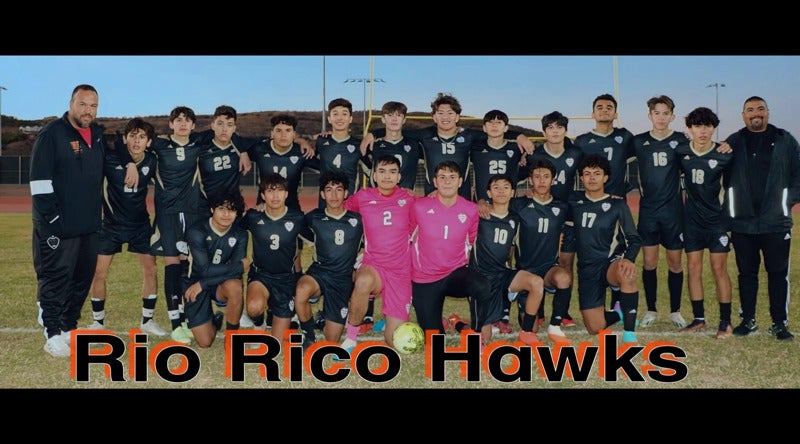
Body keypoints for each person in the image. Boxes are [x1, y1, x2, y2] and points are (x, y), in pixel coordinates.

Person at [31, 84, 107, 357]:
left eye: (93, 105)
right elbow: (39, 183)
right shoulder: (52, 134)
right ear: (72, 103)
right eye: (83, 104)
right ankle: (52, 333)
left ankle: (67, 327)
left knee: (81, 279)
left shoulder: (97, 135)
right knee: (55, 279)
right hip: (58, 225)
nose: (88, 110)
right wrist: (52, 220)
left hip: (88, 225)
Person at [724, 96, 800, 340]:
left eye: (760, 109)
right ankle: (748, 319)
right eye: (750, 110)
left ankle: (779, 322)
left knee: (778, 273)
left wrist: (785, 202)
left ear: (768, 112)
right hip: (743, 223)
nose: (755, 113)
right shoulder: (734, 141)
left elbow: (798, 174)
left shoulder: (785, 140)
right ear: (743, 115)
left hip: (775, 222)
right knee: (747, 274)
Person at [362, 92, 534, 200]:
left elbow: (495, 132)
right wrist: (372, 134)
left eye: (450, 113)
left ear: (458, 116)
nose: (445, 117)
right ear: (434, 117)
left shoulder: (469, 136)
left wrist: (520, 137)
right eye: (440, 113)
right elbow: (394, 129)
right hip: (432, 196)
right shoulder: (424, 135)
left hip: (462, 198)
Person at [87, 117, 167, 336]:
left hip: (140, 225)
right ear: (125, 138)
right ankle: (98, 323)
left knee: (151, 269)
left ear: (148, 142)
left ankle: (147, 321)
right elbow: (104, 139)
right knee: (98, 273)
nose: (137, 141)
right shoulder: (110, 159)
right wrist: (127, 160)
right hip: (111, 225)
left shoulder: (152, 160)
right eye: (132, 136)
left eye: (142, 137)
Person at [411, 160, 500, 346]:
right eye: (442, 177)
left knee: (483, 285)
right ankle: (456, 323)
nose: (447, 181)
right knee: (435, 342)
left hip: (454, 273)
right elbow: (407, 237)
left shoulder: (470, 210)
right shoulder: (419, 207)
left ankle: (474, 334)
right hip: (424, 278)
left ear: (460, 181)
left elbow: (473, 242)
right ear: (434, 182)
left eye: (452, 177)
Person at [337, 155, 416, 352]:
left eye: (392, 172)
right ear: (374, 175)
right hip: (375, 265)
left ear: (399, 177)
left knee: (394, 340)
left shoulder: (409, 200)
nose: (387, 176)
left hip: (400, 272)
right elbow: (339, 211)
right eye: (382, 171)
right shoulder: (363, 197)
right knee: (363, 282)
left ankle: (386, 321)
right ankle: (351, 338)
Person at [469, 174, 558, 344]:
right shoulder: (478, 215)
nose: (501, 191)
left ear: (512, 193)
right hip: (481, 279)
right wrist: (479, 203)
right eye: (496, 187)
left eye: (505, 187)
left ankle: (526, 332)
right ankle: (458, 323)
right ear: (488, 193)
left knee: (536, 282)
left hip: (503, 274)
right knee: (483, 339)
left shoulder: (516, 218)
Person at [566, 154, 641, 343]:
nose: (592, 178)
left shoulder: (617, 204)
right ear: (581, 178)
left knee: (627, 273)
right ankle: (618, 313)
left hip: (610, 263)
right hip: (587, 268)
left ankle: (630, 333)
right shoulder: (573, 203)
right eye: (587, 174)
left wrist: (627, 259)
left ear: (605, 177)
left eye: (597, 174)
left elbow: (634, 238)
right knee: (594, 328)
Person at [519, 110, 583, 331]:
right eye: (550, 128)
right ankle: (539, 311)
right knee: (537, 260)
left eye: (559, 128)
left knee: (566, 264)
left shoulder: (575, 152)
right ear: (544, 131)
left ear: (565, 130)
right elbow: (515, 175)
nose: (555, 132)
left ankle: (562, 312)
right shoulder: (535, 155)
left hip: (565, 215)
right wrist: (518, 136)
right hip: (539, 214)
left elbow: (591, 173)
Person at [573, 94, 635, 313]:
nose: (605, 110)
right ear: (593, 113)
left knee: (617, 248)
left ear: (616, 113)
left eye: (610, 107)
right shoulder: (582, 141)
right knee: (588, 252)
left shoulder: (625, 137)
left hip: (615, 205)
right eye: (600, 107)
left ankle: (617, 303)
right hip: (589, 204)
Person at [675, 107, 734, 339]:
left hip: (716, 222)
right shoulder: (681, 152)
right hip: (692, 222)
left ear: (713, 128)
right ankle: (699, 319)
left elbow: (732, 187)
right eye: (698, 126)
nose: (703, 131)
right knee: (693, 269)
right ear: (689, 129)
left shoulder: (724, 154)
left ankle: (725, 321)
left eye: (707, 126)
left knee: (719, 269)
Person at [632, 95, 689, 328]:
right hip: (648, 211)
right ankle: (652, 310)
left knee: (675, 263)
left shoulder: (680, 140)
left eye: (666, 113)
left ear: (672, 116)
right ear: (650, 115)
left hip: (673, 211)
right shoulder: (638, 142)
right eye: (657, 113)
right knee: (649, 263)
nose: (661, 117)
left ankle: (675, 311)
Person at [295, 171, 364, 350]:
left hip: (342, 279)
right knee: (301, 290)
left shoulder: (358, 220)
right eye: (329, 190)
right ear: (322, 194)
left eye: (338, 190)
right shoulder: (312, 218)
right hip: (320, 272)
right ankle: (309, 336)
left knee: (332, 340)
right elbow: (301, 235)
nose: (334, 195)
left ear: (346, 193)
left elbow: (370, 245)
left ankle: (321, 318)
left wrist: (360, 264)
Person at [508, 159, 573, 344]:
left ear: (553, 180)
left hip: (548, 270)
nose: (542, 181)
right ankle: (527, 328)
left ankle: (555, 326)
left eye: (546, 177)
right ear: (530, 180)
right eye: (537, 177)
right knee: (532, 327)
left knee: (564, 277)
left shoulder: (562, 207)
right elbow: (494, 203)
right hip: (525, 272)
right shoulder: (518, 205)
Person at [239, 173, 306, 344]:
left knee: (275, 345)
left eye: (279, 191)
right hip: (261, 276)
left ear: (286, 194)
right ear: (262, 196)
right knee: (254, 308)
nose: (275, 196)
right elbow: (233, 230)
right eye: (269, 191)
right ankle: (259, 324)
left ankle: (281, 314)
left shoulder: (298, 218)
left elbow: (318, 238)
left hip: (285, 280)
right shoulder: (254, 217)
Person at [183, 189, 250, 348]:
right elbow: (204, 270)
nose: (226, 214)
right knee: (205, 342)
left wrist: (205, 283)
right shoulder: (197, 231)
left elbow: (237, 272)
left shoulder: (240, 234)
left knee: (235, 286)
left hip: (218, 283)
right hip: (194, 282)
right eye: (221, 209)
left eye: (232, 209)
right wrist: (239, 266)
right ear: (212, 209)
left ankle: (231, 337)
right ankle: (214, 320)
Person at [308, 98, 370, 208]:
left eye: (344, 114)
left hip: (351, 206)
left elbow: (372, 172)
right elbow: (312, 160)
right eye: (335, 114)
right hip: (325, 206)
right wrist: (304, 140)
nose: (340, 118)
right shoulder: (321, 142)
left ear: (350, 118)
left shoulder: (359, 145)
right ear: (329, 119)